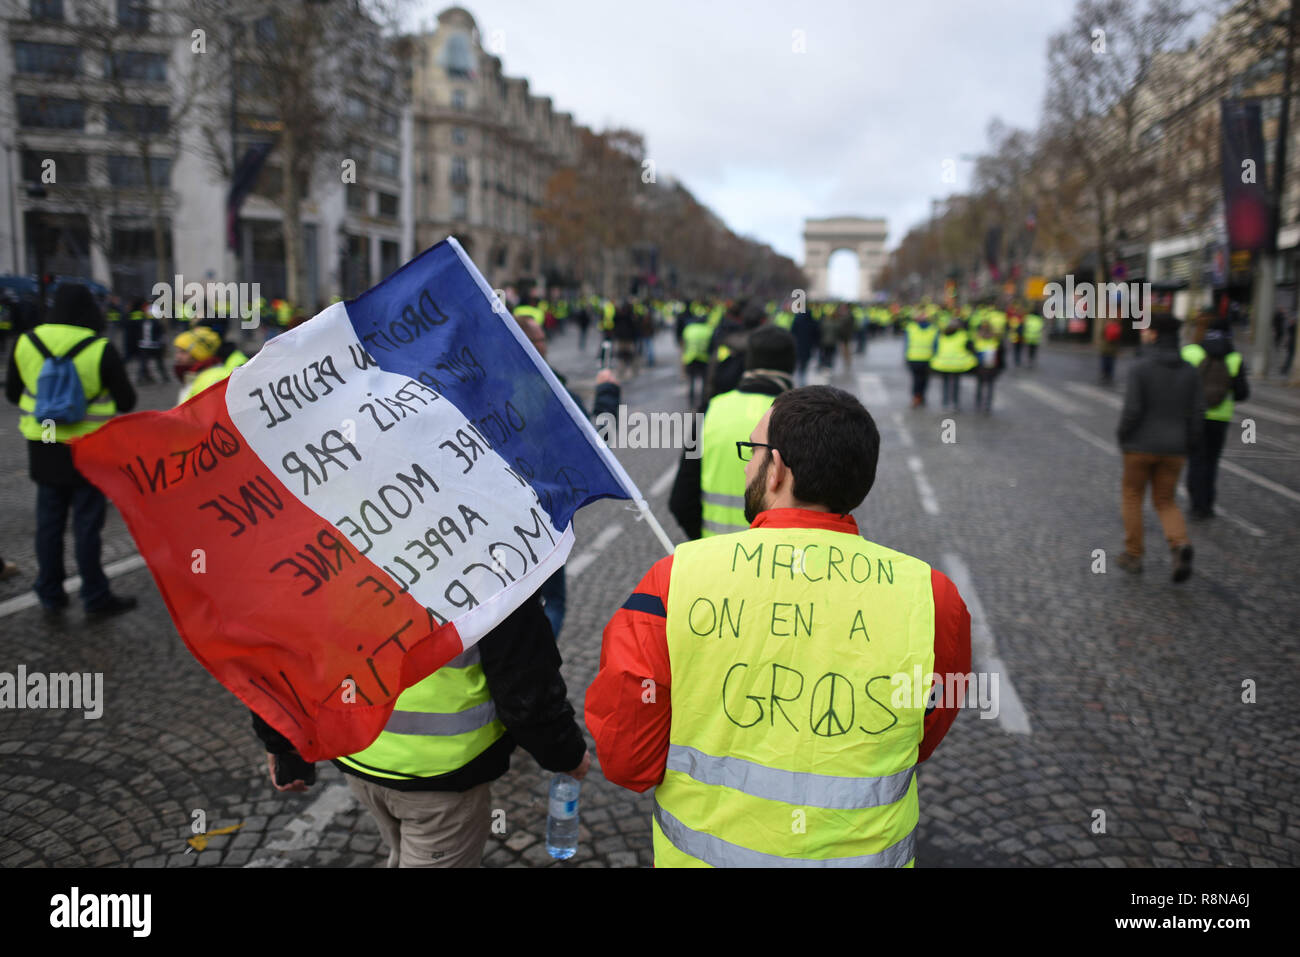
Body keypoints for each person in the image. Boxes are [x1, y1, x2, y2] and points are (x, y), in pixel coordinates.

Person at [588, 386, 971, 867]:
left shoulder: (673, 581)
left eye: (753, 451)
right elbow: (919, 737)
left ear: (779, 469)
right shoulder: (934, 599)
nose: (746, 466)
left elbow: (629, 760)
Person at [252, 592, 590, 867]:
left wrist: (280, 741)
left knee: (402, 849)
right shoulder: (494, 559)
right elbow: (527, 691)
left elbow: (281, 647)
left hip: (359, 758)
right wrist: (566, 755)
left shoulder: (333, 537)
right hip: (443, 780)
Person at [4, 283, 138, 618]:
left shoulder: (26, 342)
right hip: (89, 447)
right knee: (87, 524)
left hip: (44, 443)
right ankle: (95, 594)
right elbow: (126, 401)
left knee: (49, 522)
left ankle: (49, 591)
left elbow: (12, 393)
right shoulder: (99, 347)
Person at [515, 313, 619, 639]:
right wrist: (607, 393)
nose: (547, 345)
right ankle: (538, 661)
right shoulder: (552, 392)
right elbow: (595, 441)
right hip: (546, 514)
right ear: (532, 345)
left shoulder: (483, 384)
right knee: (553, 600)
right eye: (542, 340)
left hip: (498, 515)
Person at [668, 325, 796, 540]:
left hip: (716, 555)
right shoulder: (798, 417)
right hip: (777, 561)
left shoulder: (710, 410)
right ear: (792, 364)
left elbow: (681, 500)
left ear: (749, 361)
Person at [1115, 314, 1203, 581]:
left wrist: (1123, 436)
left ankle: (1133, 554)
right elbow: (1198, 412)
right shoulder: (1190, 371)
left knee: (1132, 496)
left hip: (1140, 445)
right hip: (1175, 448)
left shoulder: (1140, 368)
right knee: (1165, 501)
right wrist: (1190, 443)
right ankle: (1179, 543)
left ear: (1154, 334)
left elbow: (1132, 410)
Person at [1181, 316, 1249, 521]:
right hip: (1221, 417)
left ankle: (1195, 504)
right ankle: (1207, 505)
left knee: (1195, 460)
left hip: (1194, 415)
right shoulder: (1234, 358)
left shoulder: (1190, 352)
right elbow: (1242, 393)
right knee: (1211, 460)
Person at [173, 325, 250, 405]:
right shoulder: (192, 376)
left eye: (183, 352)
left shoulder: (212, 380)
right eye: (177, 352)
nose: (177, 357)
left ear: (199, 354)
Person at [930, 317, 976, 411]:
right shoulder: (963, 335)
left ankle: (945, 403)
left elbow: (935, 348)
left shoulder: (941, 334)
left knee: (945, 384)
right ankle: (955, 403)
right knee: (955, 384)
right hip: (958, 364)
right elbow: (970, 348)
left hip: (942, 363)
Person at [903, 310, 938, 408]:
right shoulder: (933, 329)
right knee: (925, 379)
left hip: (913, 358)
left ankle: (916, 397)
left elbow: (906, 344)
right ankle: (921, 396)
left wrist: (905, 356)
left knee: (916, 379)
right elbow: (936, 346)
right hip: (928, 358)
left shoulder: (911, 328)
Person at [971, 321, 1003, 414]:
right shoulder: (994, 341)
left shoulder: (979, 340)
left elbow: (1000, 354)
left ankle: (982, 404)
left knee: (984, 386)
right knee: (986, 386)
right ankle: (984, 404)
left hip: (986, 367)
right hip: (986, 367)